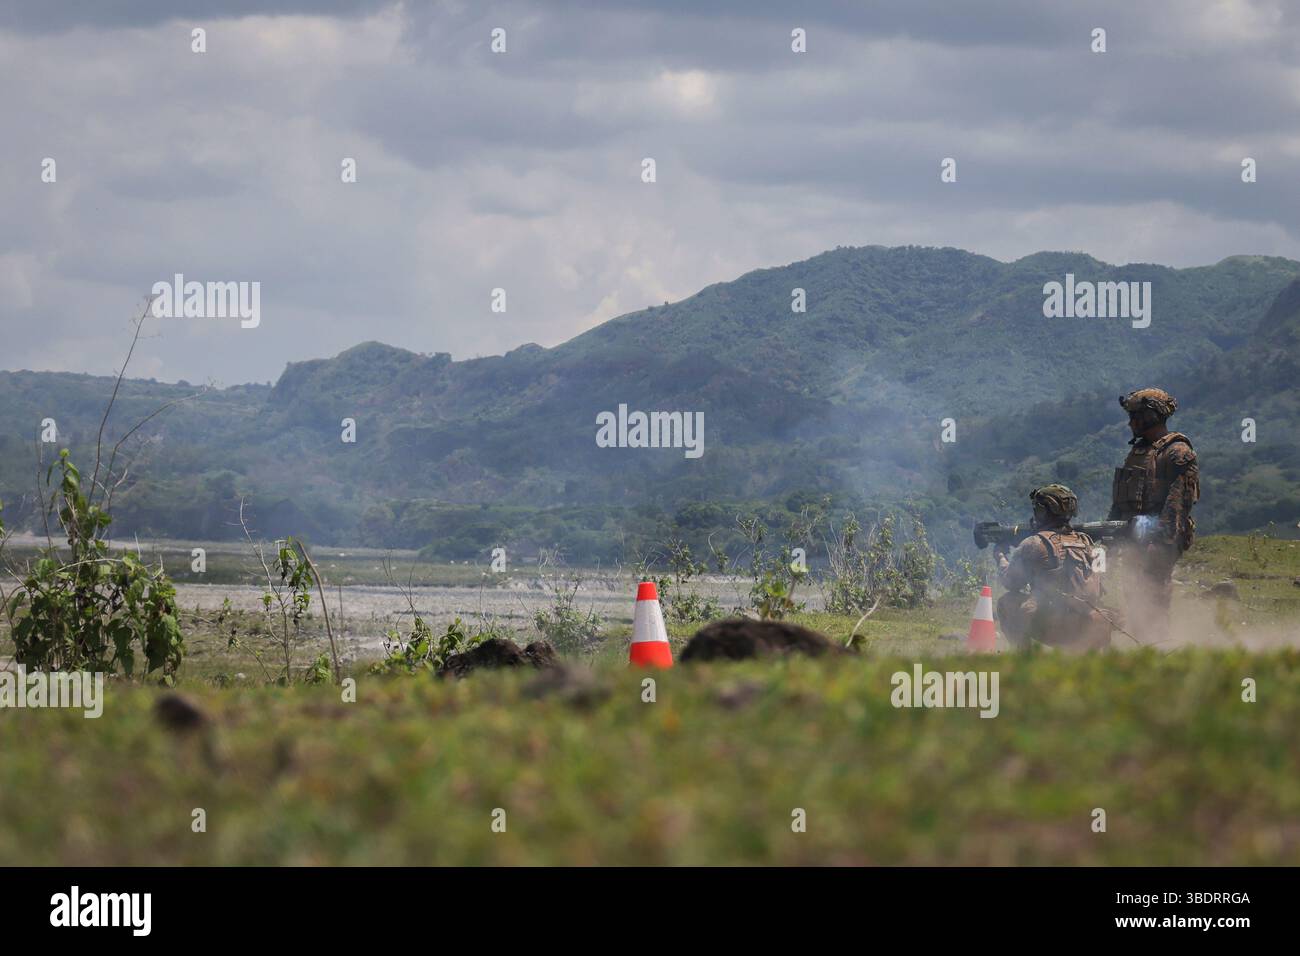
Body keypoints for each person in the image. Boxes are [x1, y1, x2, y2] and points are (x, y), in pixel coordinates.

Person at [1107, 388, 1199, 636]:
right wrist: (1110, 534)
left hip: (1158, 540)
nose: (1130, 422)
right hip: (1133, 537)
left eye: (1135, 416)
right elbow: (1122, 499)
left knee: (1153, 592)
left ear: (1150, 416)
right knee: (1134, 591)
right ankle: (1141, 641)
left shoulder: (1178, 453)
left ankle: (1157, 645)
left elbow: (1178, 504)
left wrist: (1160, 542)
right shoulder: (1140, 451)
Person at [996, 484, 1111, 651]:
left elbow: (1011, 582)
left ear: (1042, 511)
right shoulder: (1090, 544)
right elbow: (1100, 588)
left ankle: (1024, 659)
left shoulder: (1034, 544)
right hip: (1088, 625)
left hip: (1055, 627)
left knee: (1006, 602)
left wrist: (1000, 556)